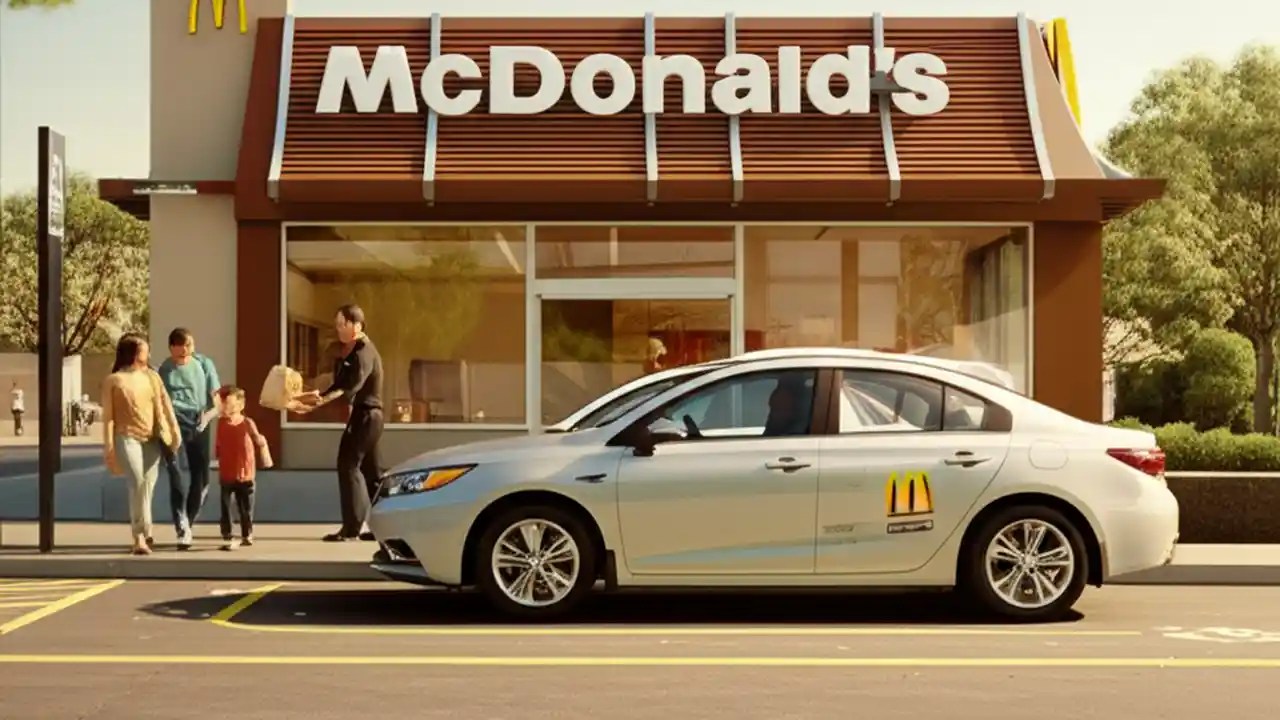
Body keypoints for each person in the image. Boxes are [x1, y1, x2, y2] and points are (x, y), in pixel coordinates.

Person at [295, 304, 384, 543]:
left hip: (366, 416)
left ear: (357, 325)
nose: (338, 329)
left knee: (348, 465)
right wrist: (310, 399)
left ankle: (352, 528)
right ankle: (384, 526)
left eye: (342, 324)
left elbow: (349, 387)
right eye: (336, 325)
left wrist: (318, 401)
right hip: (370, 417)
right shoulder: (354, 351)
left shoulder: (363, 352)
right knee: (371, 473)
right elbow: (338, 384)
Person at [101, 333, 181, 555]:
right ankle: (138, 537)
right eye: (145, 350)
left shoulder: (152, 377)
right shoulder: (114, 380)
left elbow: (166, 406)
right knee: (136, 481)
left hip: (152, 438)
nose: (149, 354)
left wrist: (175, 433)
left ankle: (146, 529)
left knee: (147, 486)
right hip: (126, 436)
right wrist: (108, 447)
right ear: (135, 353)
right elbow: (108, 417)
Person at [157, 328, 222, 550]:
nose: (186, 352)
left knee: (202, 477)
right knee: (175, 473)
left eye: (189, 346)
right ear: (172, 348)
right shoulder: (164, 370)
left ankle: (189, 521)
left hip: (198, 419)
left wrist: (208, 417)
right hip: (173, 422)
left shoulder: (204, 364)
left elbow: (217, 401)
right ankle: (181, 526)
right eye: (181, 348)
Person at [213, 386, 272, 551]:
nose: (226, 407)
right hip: (227, 471)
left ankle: (247, 533)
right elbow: (218, 444)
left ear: (241, 405)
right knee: (225, 505)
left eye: (230, 404)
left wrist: (264, 451)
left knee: (245, 506)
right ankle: (227, 533)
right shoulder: (221, 423)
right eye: (224, 404)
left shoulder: (247, 423)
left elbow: (258, 440)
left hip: (245, 472)